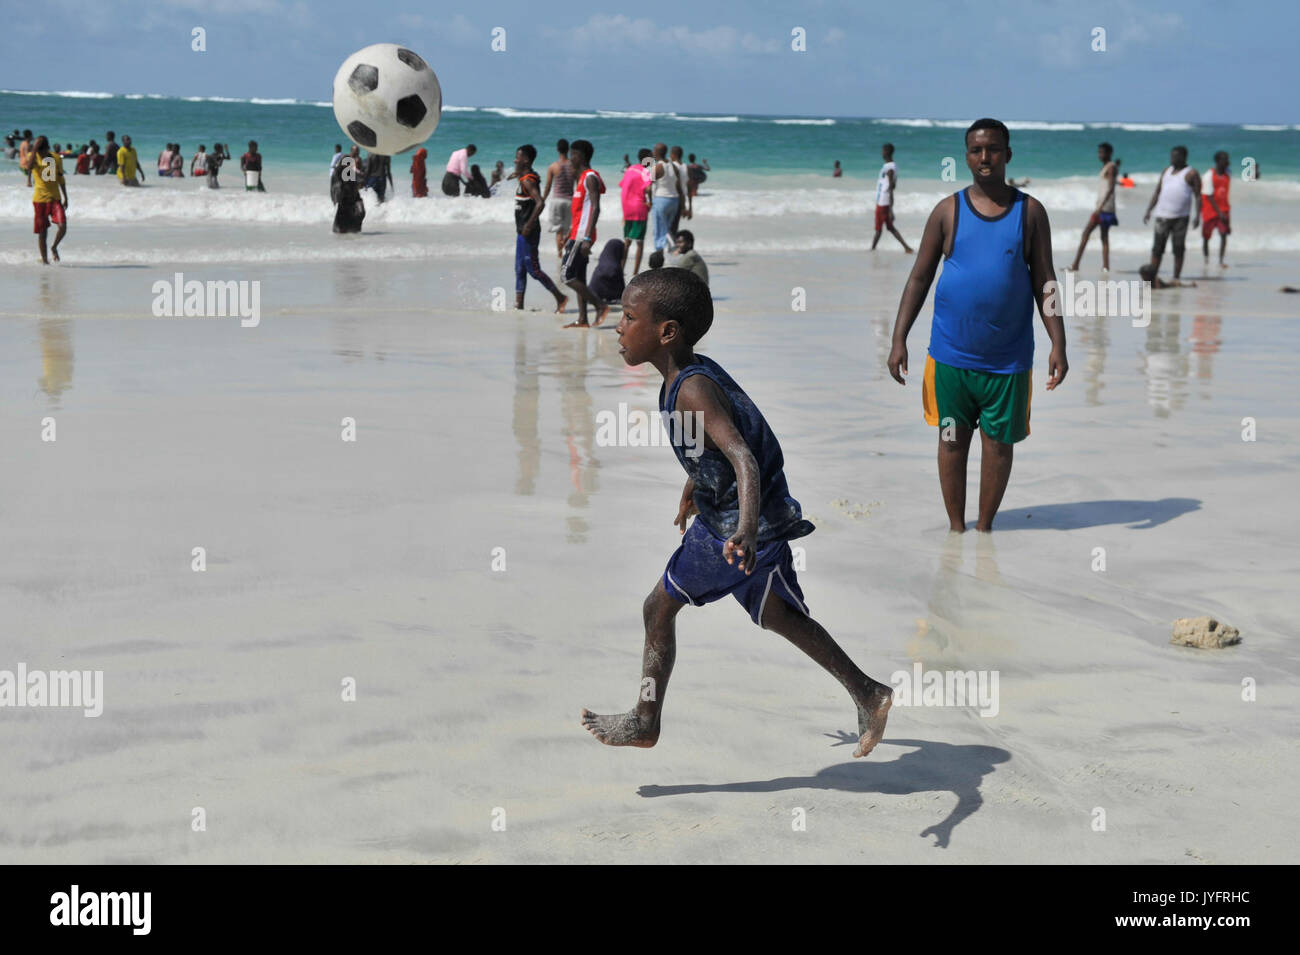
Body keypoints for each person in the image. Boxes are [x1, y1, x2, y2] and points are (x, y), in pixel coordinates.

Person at [580, 268, 895, 757]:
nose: (619, 327)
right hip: (746, 518)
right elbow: (716, 452)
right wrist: (694, 484)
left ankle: (645, 720)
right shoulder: (685, 374)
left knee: (657, 608)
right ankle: (868, 693)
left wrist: (745, 531)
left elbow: (743, 456)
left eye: (628, 316)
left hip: (733, 529)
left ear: (667, 332)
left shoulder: (690, 388)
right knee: (779, 615)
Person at [887, 118, 1068, 533]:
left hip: (1008, 363)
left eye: (992, 149)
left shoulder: (1030, 213)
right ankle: (956, 528)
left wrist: (1059, 341)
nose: (984, 157)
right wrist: (899, 338)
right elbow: (919, 278)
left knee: (998, 445)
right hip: (950, 360)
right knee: (951, 441)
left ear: (1007, 154)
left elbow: (1046, 281)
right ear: (966, 156)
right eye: (975, 150)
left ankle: (985, 529)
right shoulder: (947, 211)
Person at [560, 139, 611, 328]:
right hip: (576, 234)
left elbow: (596, 208)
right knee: (579, 277)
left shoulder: (590, 177)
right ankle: (583, 319)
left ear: (579, 156)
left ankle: (599, 305)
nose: (570, 159)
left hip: (583, 237)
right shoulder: (581, 178)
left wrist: (587, 238)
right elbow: (581, 211)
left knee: (566, 275)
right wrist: (569, 234)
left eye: (572, 155)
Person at [512, 144, 567, 313]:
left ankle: (560, 297)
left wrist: (528, 224)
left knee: (533, 270)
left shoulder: (528, 181)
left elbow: (540, 202)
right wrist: (517, 173)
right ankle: (519, 305)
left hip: (529, 231)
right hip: (521, 232)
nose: (515, 160)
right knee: (519, 268)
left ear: (526, 160)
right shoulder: (525, 177)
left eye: (518, 157)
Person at [1143, 145, 1200, 281]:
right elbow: (1157, 191)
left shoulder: (1191, 173)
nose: (1172, 158)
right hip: (1162, 216)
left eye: (1175, 156)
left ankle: (1176, 277)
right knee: (1157, 248)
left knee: (1178, 248)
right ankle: (1153, 276)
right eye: (1171, 155)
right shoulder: (1166, 171)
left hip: (1181, 218)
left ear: (1183, 157)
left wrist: (1198, 215)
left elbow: (1198, 196)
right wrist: (1149, 210)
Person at [1067, 142, 1119, 272]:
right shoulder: (1107, 167)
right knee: (1104, 236)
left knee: (1086, 233)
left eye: (1102, 152)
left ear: (1109, 153)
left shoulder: (1110, 167)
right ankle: (1105, 266)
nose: (1099, 155)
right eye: (1099, 152)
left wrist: (1100, 207)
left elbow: (1111, 187)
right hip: (1105, 207)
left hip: (1104, 208)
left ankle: (1075, 265)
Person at [30, 136, 69, 265]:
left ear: (48, 148)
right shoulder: (33, 156)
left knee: (63, 226)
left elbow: (61, 179)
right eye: (39, 151)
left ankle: (54, 247)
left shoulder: (56, 158)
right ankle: (45, 261)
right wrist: (34, 149)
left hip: (55, 198)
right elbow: (28, 168)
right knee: (43, 232)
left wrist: (66, 197)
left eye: (43, 150)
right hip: (40, 199)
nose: (41, 153)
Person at [871, 143, 913, 253]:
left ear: (886, 152)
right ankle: (906, 248)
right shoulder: (889, 166)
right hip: (882, 201)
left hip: (883, 202)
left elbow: (890, 188)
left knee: (880, 228)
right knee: (887, 227)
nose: (881, 153)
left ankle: (872, 249)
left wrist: (890, 209)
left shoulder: (890, 168)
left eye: (883, 151)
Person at [619, 148, 652, 275]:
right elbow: (648, 188)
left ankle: (621, 270)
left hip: (627, 209)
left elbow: (623, 186)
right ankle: (635, 273)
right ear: (647, 159)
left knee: (627, 242)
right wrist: (650, 201)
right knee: (639, 243)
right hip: (639, 208)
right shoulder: (645, 172)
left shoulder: (630, 169)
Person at [542, 139, 574, 259]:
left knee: (558, 231)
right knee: (568, 230)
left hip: (557, 201)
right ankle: (566, 253)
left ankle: (560, 255)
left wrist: (543, 200)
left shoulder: (553, 166)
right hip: (570, 200)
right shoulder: (573, 166)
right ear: (568, 149)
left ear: (557, 149)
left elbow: (548, 186)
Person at [648, 142, 683, 252]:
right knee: (667, 229)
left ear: (656, 152)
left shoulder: (657, 167)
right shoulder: (674, 166)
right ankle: (670, 251)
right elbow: (679, 186)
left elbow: (649, 187)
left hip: (661, 200)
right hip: (674, 201)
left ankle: (659, 254)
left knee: (659, 230)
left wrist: (649, 201)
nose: (653, 152)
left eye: (654, 150)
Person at [1201, 150, 1231, 267]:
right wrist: (1219, 212)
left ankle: (1221, 261)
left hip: (1224, 210)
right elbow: (1209, 196)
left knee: (1224, 235)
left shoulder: (1228, 174)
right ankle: (1206, 259)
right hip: (1210, 212)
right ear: (1218, 161)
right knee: (1206, 237)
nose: (1228, 162)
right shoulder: (1209, 175)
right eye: (1225, 159)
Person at [331, 146, 365, 234]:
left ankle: (354, 230)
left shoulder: (358, 161)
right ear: (352, 151)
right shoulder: (347, 159)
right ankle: (342, 232)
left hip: (352, 193)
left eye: (358, 151)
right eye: (355, 151)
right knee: (343, 215)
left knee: (360, 212)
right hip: (345, 194)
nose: (357, 153)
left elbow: (358, 179)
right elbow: (338, 175)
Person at [588, 239, 627, 303]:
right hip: (609, 295)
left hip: (592, 293)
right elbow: (622, 289)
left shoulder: (602, 260)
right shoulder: (615, 266)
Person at [669, 145, 692, 232]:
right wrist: (689, 208)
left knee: (667, 228)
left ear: (673, 155)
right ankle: (673, 244)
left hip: (672, 199)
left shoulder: (670, 166)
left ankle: (670, 245)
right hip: (681, 201)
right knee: (674, 227)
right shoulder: (687, 167)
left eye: (670, 154)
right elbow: (689, 189)